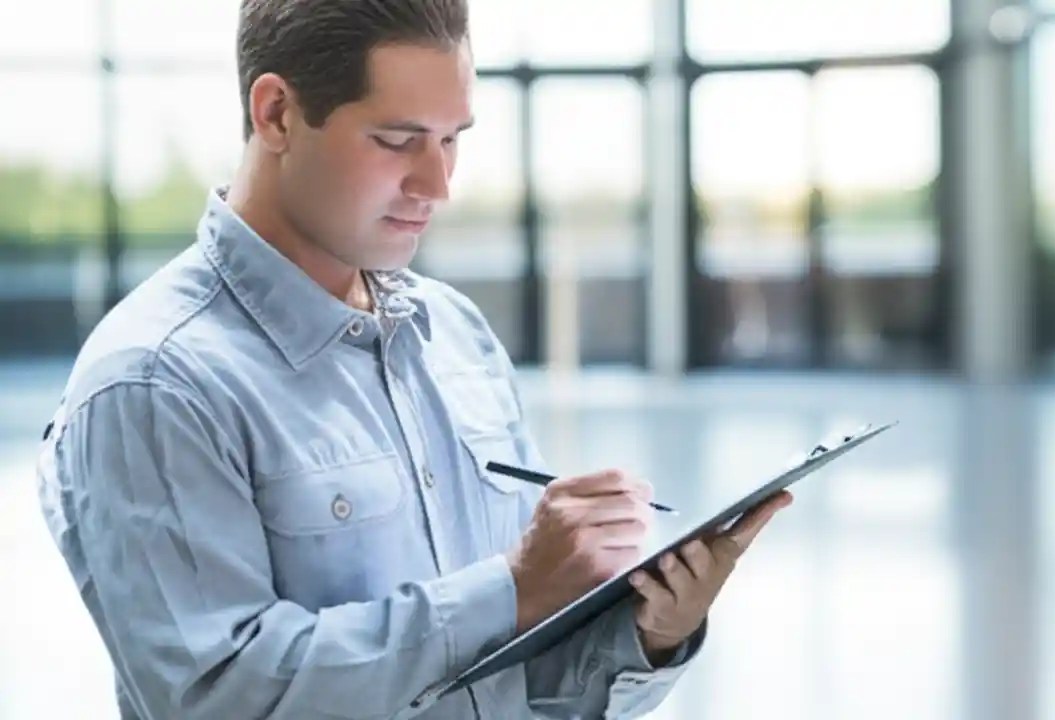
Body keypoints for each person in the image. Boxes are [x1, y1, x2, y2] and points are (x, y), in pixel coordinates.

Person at [35, 1, 792, 718]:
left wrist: (652, 633)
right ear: (276, 114)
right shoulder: (155, 381)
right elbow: (214, 697)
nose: (438, 185)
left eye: (453, 138)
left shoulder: (455, 336)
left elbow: (510, 676)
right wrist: (512, 587)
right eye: (398, 141)